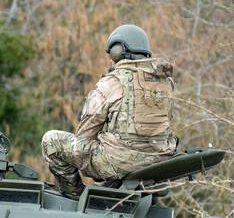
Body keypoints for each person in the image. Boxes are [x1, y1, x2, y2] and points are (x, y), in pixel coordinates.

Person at [42, 24, 179, 198]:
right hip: (158, 162)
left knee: (51, 141)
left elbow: (84, 134)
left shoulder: (112, 82)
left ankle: (76, 196)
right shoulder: (167, 83)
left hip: (118, 163)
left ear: (117, 50)